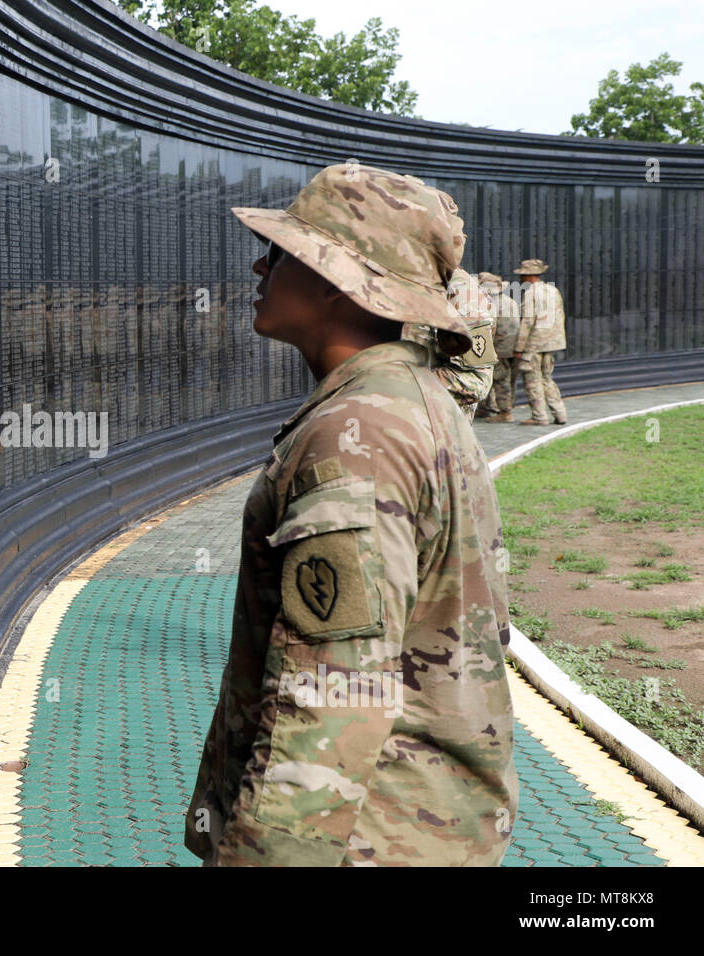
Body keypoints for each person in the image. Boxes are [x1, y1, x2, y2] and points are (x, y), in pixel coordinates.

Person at [183, 163, 518, 866]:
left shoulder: (357, 433)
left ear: (335, 280)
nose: (259, 264)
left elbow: (332, 700)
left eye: (280, 253)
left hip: (364, 840)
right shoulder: (410, 399)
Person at [402, 268, 496, 421]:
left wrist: (399, 388)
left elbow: (475, 380)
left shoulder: (459, 289)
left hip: (435, 423)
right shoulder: (391, 275)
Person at [512, 258, 567, 425]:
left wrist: (519, 347)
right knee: (547, 379)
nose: (520, 279)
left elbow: (527, 322)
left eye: (522, 275)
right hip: (551, 342)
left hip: (534, 344)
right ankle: (560, 413)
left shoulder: (531, 294)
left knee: (532, 380)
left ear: (528, 276)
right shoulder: (553, 290)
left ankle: (539, 416)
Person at [479, 272, 521, 422]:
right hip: (514, 347)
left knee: (499, 379)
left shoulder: (488, 304)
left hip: (498, 348)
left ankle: (505, 412)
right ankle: (491, 408)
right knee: (510, 380)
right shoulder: (511, 302)